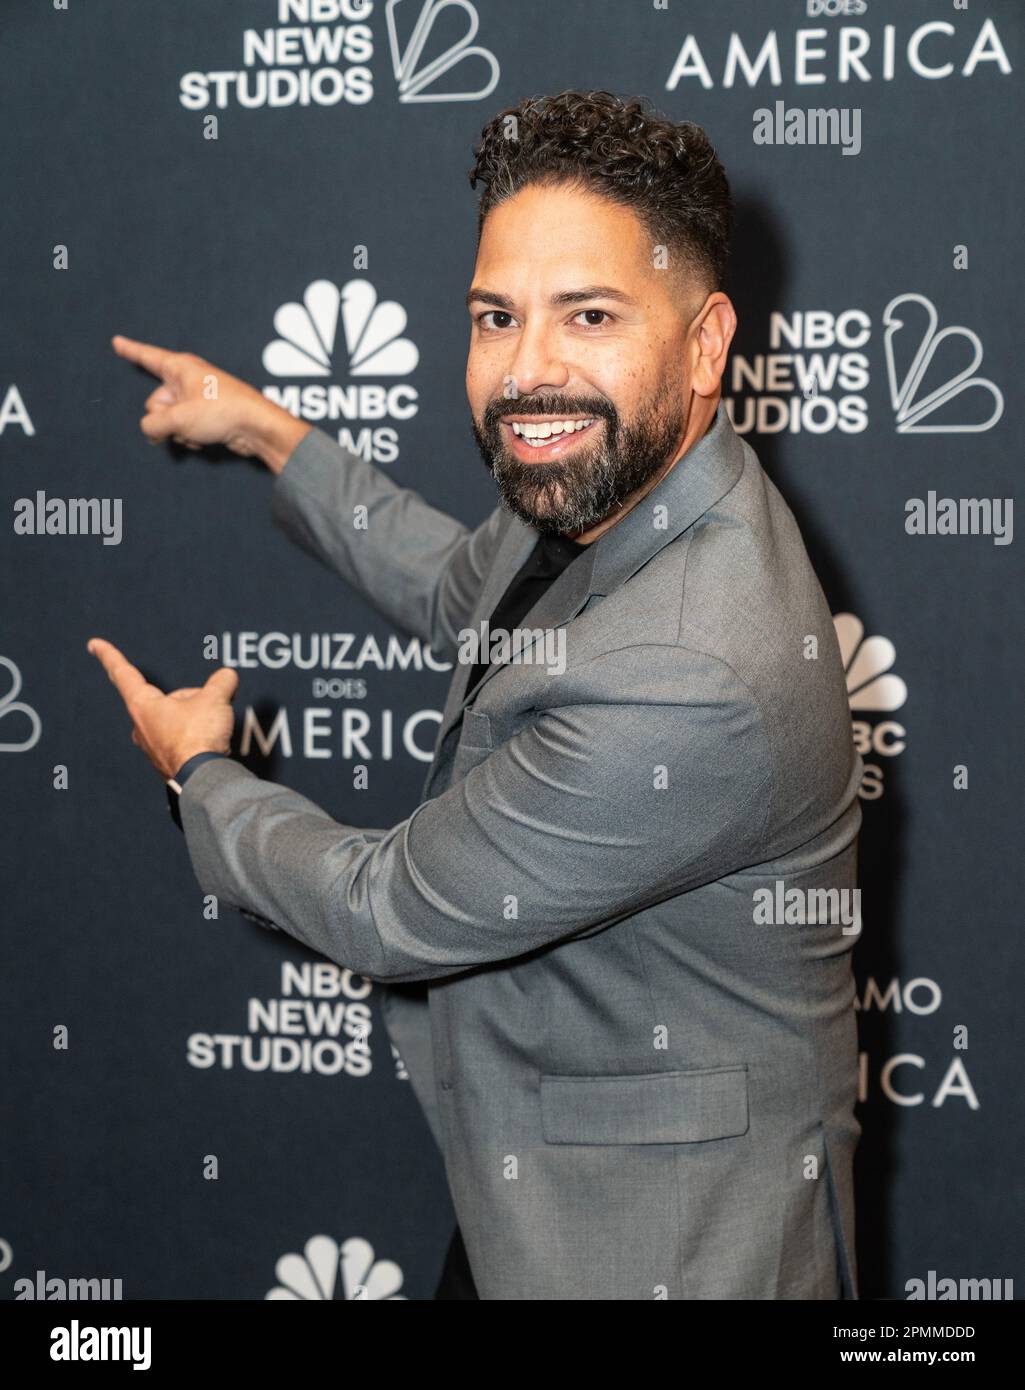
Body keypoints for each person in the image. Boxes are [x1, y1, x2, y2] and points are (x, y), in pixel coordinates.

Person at [88, 90, 863, 1301]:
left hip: (662, 1247)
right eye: (495, 317)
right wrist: (264, 431)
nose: (527, 371)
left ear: (707, 346)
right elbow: (464, 585)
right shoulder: (621, 482)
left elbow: (381, 904)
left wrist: (200, 774)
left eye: (588, 315)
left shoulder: (687, 671)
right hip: (539, 1192)